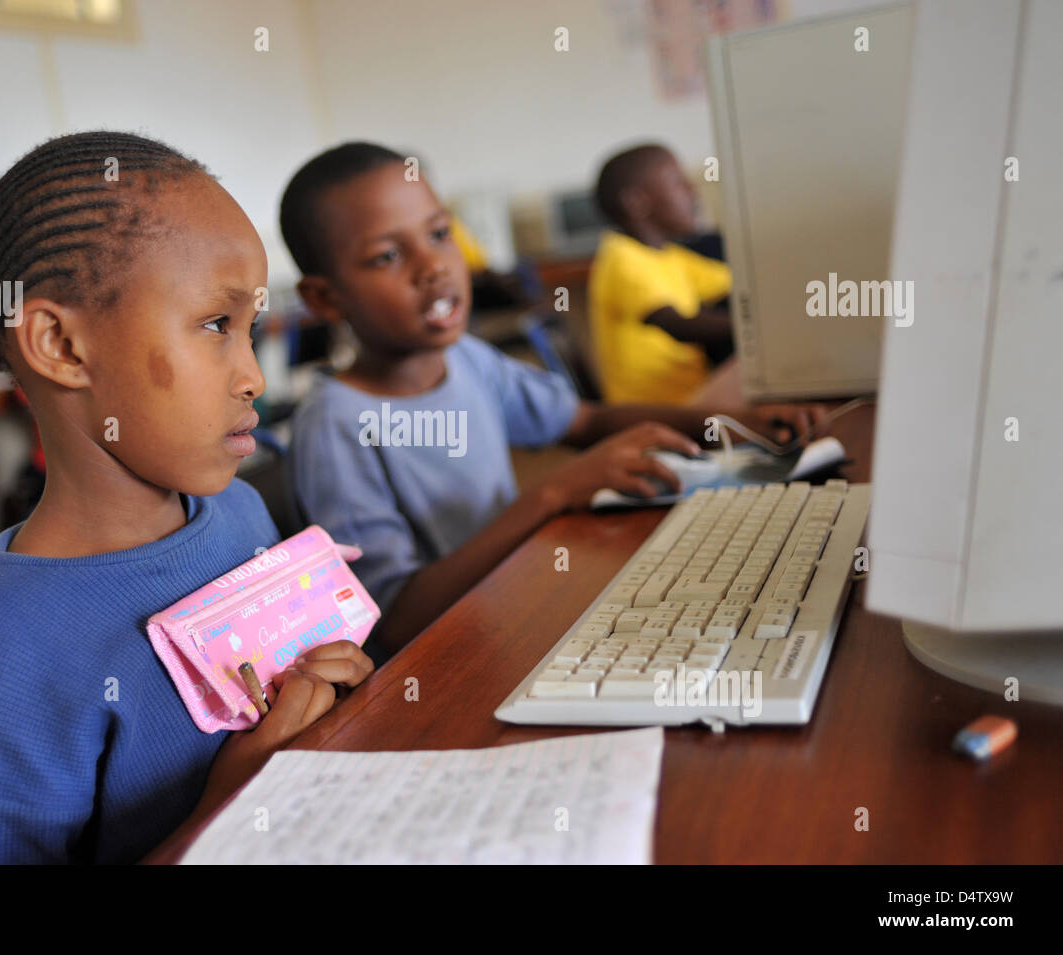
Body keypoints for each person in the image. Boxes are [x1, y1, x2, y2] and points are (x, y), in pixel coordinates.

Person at [0, 131, 372, 863]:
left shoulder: (241, 514)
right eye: (217, 325)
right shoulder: (0, 670)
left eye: (251, 328)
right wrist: (230, 806)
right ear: (59, 345)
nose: (253, 375)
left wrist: (341, 702)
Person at [281, 142, 825, 657]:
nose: (434, 266)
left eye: (440, 233)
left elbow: (585, 419)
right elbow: (394, 619)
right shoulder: (335, 426)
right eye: (388, 256)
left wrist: (731, 421)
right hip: (450, 658)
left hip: (513, 603)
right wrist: (555, 492)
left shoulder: (468, 358)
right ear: (325, 298)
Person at [588, 143, 734, 404]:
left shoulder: (669, 257)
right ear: (636, 203)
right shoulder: (621, 257)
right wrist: (749, 328)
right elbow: (676, 325)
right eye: (678, 183)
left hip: (689, 397)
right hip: (658, 410)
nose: (692, 191)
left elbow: (738, 281)